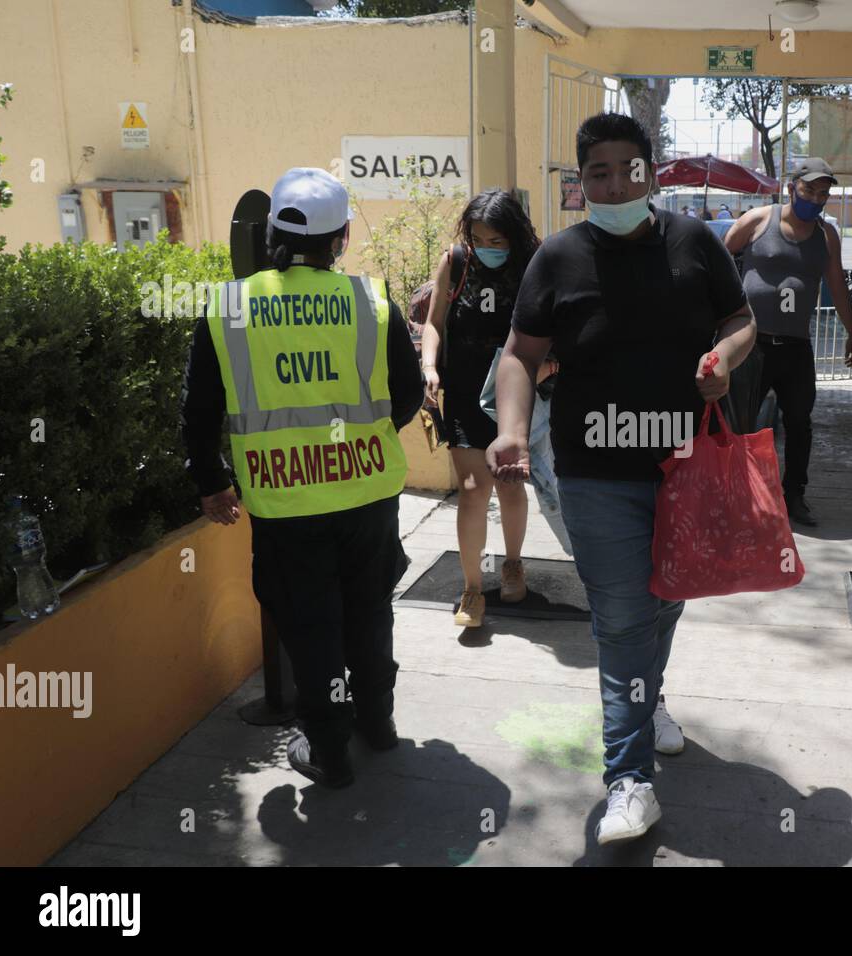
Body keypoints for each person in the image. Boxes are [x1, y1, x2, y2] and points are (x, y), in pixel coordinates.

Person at [487, 112, 756, 845]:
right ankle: (629, 780)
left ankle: (648, 694)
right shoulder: (558, 257)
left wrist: (725, 359)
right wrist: (511, 430)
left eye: (626, 170)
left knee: (667, 599)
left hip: (687, 469)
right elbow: (519, 354)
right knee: (622, 617)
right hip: (594, 472)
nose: (611, 185)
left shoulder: (695, 243)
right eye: (596, 173)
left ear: (651, 173)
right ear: (581, 183)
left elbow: (740, 319)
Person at [180, 167, 424, 788]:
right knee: (369, 613)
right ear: (341, 239)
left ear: (272, 236)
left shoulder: (228, 307)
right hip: (367, 494)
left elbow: (199, 410)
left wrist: (211, 481)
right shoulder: (372, 302)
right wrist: (363, 440)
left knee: (312, 628)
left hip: (283, 504)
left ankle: (330, 750)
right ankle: (378, 723)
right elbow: (408, 394)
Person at [419, 189, 555, 628]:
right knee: (473, 488)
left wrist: (550, 367)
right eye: (477, 239)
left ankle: (512, 564)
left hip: (514, 395)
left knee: (511, 485)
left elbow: (556, 327)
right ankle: (472, 589)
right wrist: (429, 366)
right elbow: (434, 323)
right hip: (463, 391)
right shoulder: (457, 261)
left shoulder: (535, 263)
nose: (486, 248)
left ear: (514, 235)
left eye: (496, 241)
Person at [724, 157, 852, 526]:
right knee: (739, 422)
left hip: (796, 347)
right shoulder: (758, 220)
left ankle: (794, 495)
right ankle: (734, 493)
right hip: (751, 345)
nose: (815, 199)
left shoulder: (826, 236)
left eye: (822, 194)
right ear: (791, 188)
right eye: (808, 190)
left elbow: (837, 285)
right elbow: (719, 259)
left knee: (799, 423)